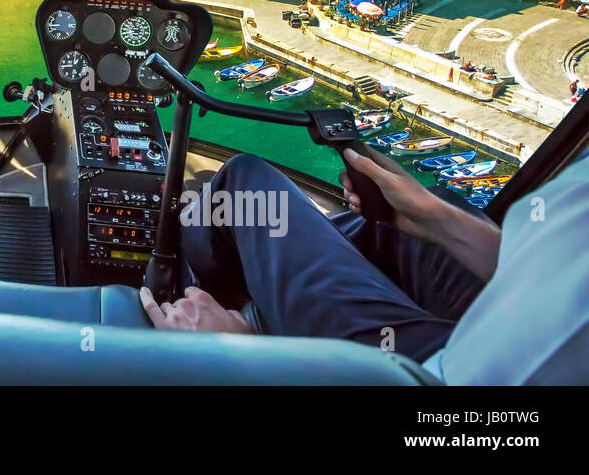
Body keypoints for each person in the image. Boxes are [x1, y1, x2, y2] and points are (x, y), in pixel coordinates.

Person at [137, 146, 589, 383]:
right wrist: (433, 218)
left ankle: (211, 282)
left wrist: (245, 357)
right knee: (409, 218)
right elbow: (557, 266)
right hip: (515, 307)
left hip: (438, 376)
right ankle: (284, 279)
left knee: (248, 185)